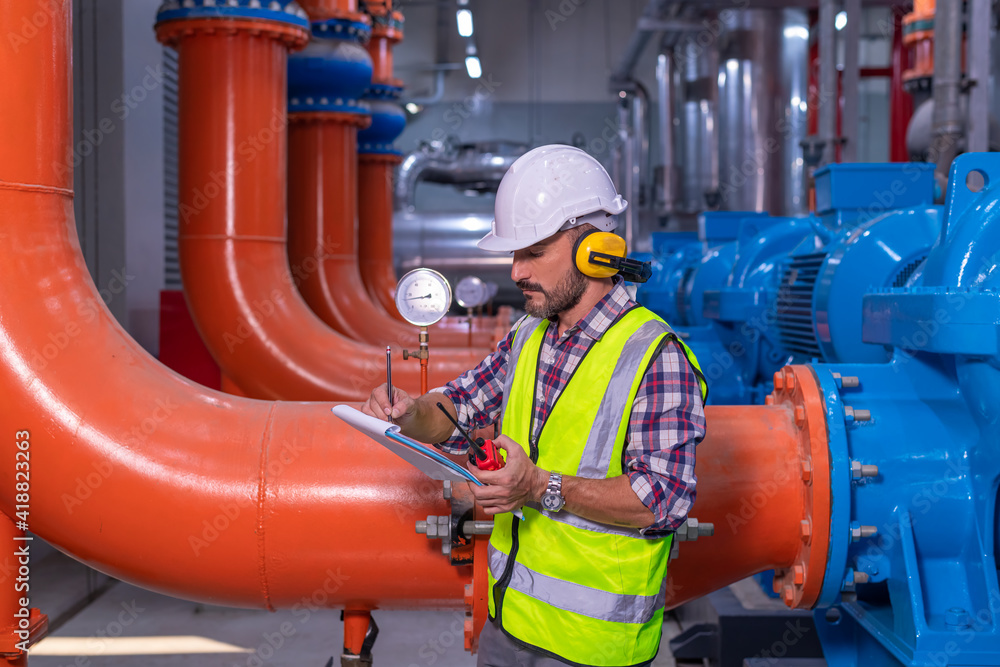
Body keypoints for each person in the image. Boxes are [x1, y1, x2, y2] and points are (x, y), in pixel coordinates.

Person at [362, 144, 707, 667]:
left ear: (596, 250)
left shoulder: (653, 356)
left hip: (592, 646)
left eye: (533, 252)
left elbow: (662, 500)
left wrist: (538, 486)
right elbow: (462, 408)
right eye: (513, 254)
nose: (516, 271)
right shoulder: (530, 336)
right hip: (509, 621)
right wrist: (409, 413)